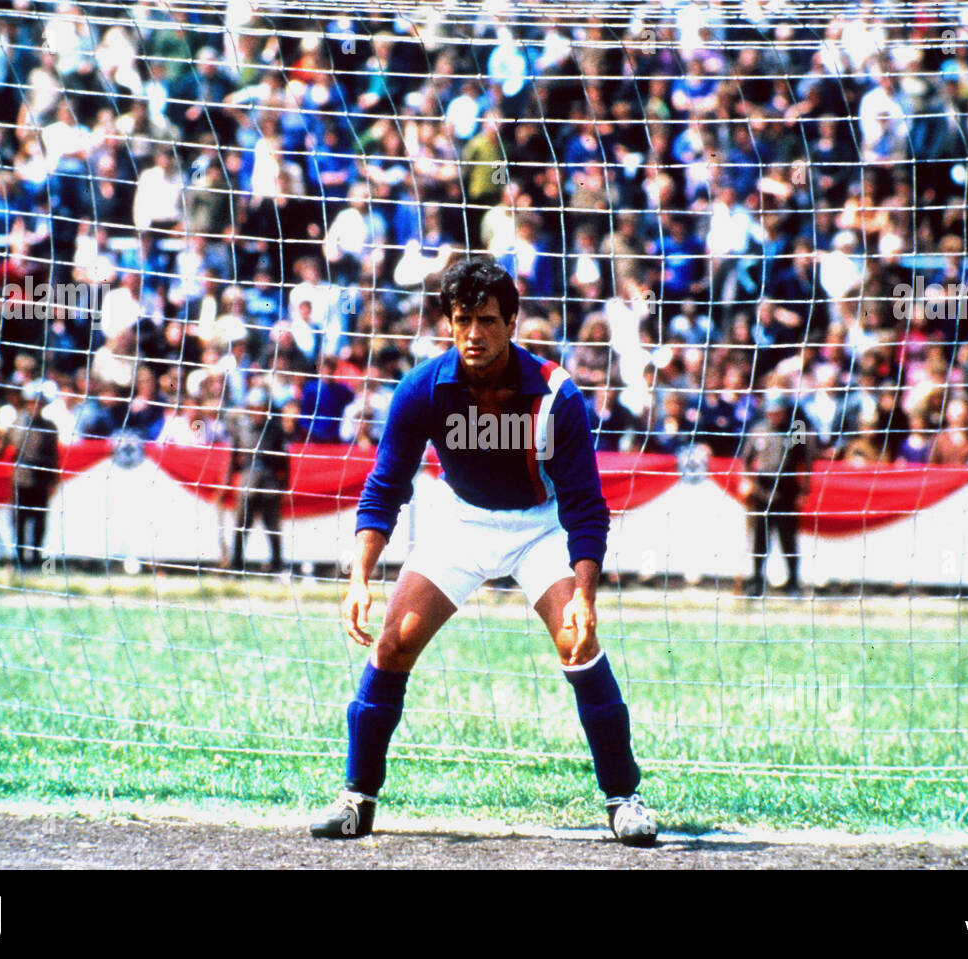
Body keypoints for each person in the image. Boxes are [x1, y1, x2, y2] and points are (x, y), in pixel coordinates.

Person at [310, 256, 658, 846]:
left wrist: (585, 596)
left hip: (540, 527)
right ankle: (357, 798)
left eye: (489, 321)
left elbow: (584, 505)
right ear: (447, 321)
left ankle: (624, 797)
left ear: (513, 322)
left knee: (579, 643)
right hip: (462, 522)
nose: (475, 334)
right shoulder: (423, 387)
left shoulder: (556, 395)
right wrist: (360, 577)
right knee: (393, 643)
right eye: (463, 319)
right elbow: (385, 486)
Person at [0, 379, 62, 571]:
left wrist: (53, 480)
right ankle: (19, 559)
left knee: (38, 523)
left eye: (40, 403)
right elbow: (1, 449)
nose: (36, 406)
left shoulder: (50, 427)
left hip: (41, 481)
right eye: (33, 402)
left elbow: (54, 457)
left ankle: (35, 559)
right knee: (19, 521)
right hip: (21, 480)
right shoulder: (17, 424)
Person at [738, 390, 816, 597]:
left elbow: (805, 462)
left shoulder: (796, 429)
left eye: (778, 412)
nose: (775, 416)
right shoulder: (758, 430)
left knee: (788, 540)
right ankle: (756, 581)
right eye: (771, 412)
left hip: (787, 490)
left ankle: (793, 582)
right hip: (762, 492)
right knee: (760, 541)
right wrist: (746, 481)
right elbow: (746, 459)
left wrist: (804, 490)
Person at [228, 388, 294, 575]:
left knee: (272, 527)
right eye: (255, 408)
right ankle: (237, 565)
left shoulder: (275, 429)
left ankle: (277, 565)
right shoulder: (242, 429)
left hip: (269, 482)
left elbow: (285, 458)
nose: (258, 412)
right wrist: (227, 481)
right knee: (241, 526)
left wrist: (285, 485)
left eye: (262, 408)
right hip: (248, 479)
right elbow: (234, 456)